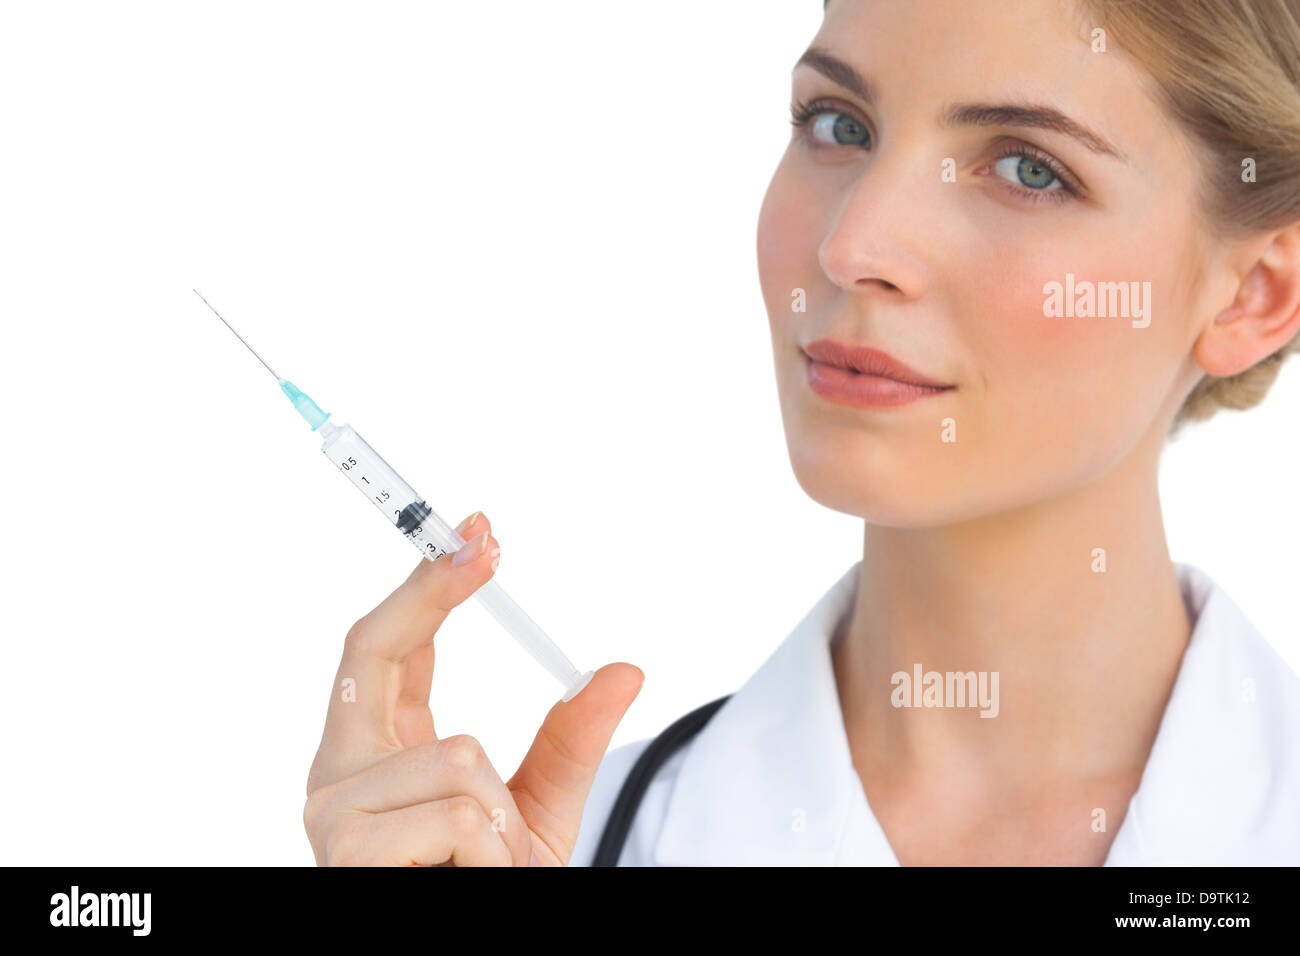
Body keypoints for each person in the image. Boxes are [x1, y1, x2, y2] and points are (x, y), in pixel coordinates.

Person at [302, 0, 1300, 866]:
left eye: (1029, 169)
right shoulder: (562, 841)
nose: (850, 243)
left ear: (1254, 295)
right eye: (836, 122)